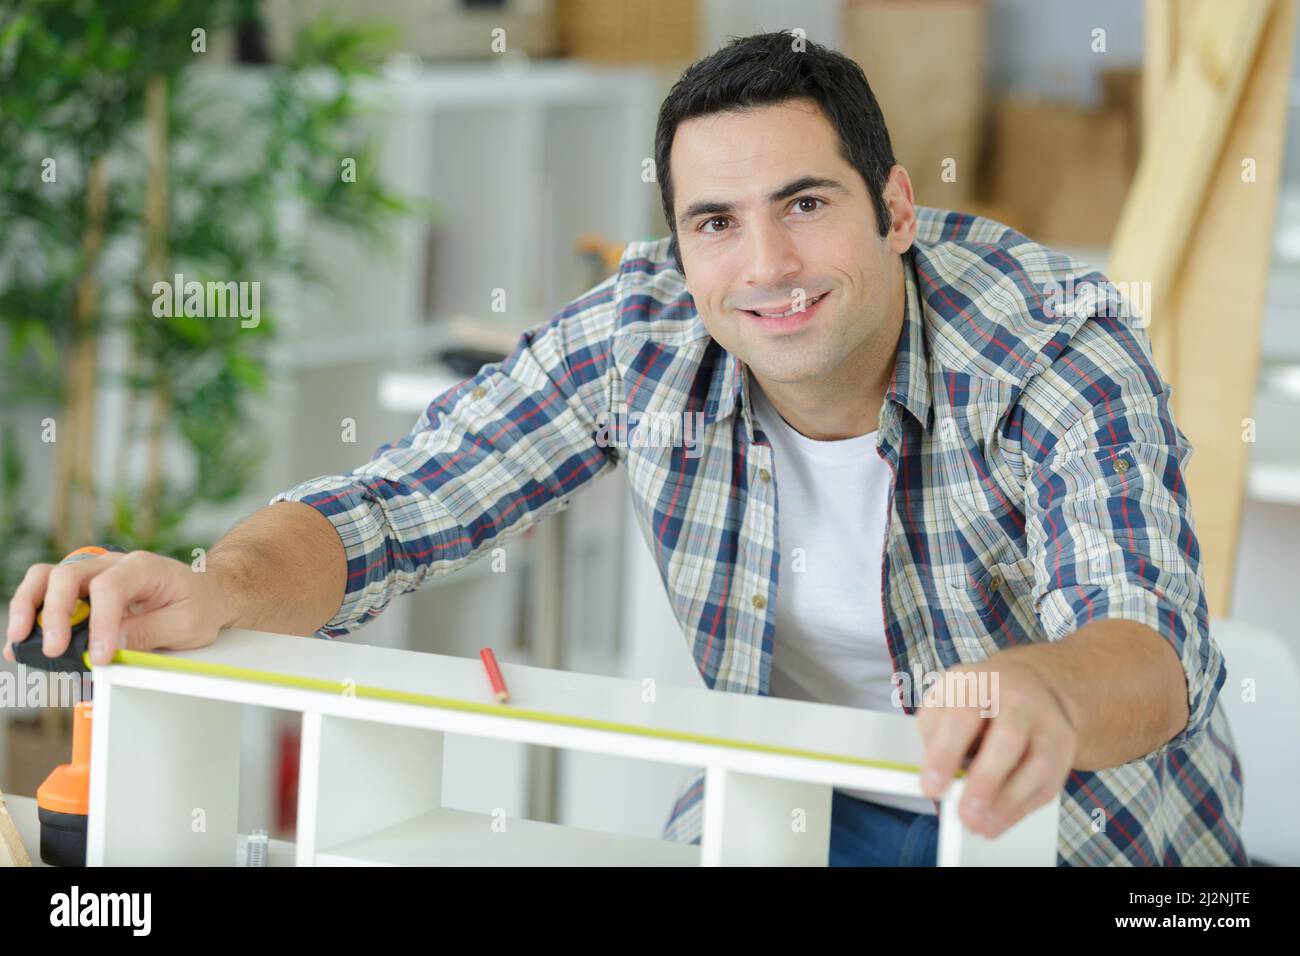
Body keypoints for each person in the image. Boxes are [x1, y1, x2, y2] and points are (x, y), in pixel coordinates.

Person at [5, 31, 1245, 866]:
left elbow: (1149, 644)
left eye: (805, 205)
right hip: (794, 808)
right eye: (716, 222)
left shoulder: (1050, 344)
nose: (763, 267)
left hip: (1081, 827)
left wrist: (1040, 689)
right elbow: (396, 507)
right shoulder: (643, 329)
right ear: (679, 239)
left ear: (896, 207)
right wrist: (219, 581)